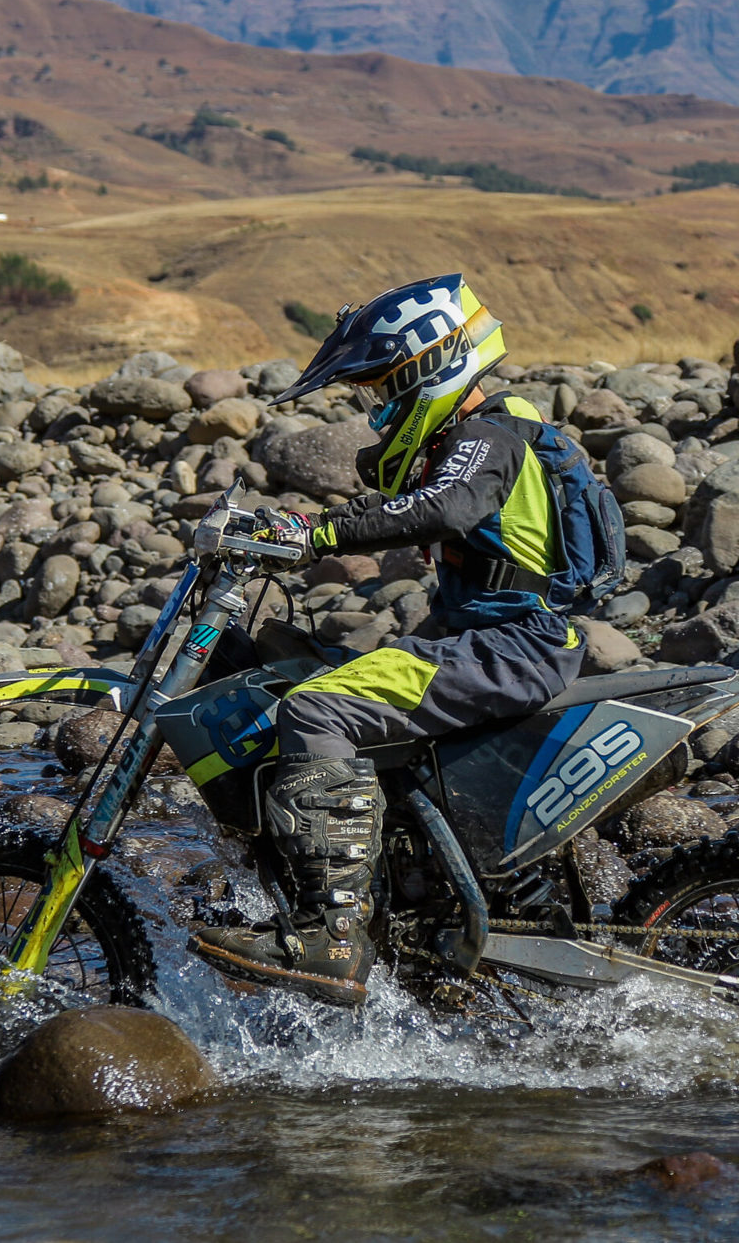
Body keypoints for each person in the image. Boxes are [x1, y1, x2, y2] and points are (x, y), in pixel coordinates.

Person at [190, 274, 624, 1007]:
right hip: (496, 639)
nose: (378, 411)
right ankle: (406, 898)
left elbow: (445, 507)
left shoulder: (488, 436)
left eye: (383, 391)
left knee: (316, 711)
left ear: (431, 369)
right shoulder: (493, 427)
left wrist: (311, 532)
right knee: (309, 669)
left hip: (512, 648)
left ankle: (328, 934)